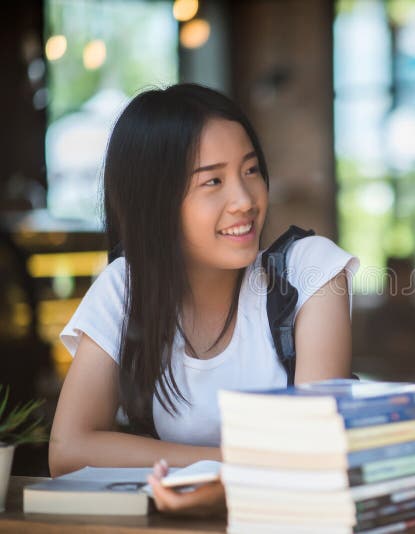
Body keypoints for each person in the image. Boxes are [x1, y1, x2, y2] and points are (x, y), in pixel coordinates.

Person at [49, 84, 359, 514]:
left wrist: (224, 483)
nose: (244, 200)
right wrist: (231, 465)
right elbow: (68, 451)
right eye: (213, 181)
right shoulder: (125, 288)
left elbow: (313, 451)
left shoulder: (310, 271)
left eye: (251, 170)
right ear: (156, 202)